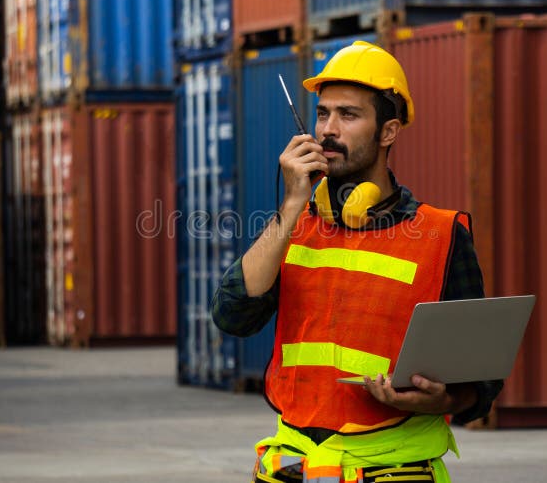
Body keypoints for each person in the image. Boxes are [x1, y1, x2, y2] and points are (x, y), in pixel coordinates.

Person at [212, 41, 502, 483]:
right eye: (323, 113)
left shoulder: (442, 235)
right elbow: (232, 316)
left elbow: (479, 378)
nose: (328, 129)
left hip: (393, 468)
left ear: (388, 131)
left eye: (348, 115)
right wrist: (291, 206)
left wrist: (440, 401)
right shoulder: (292, 226)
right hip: (293, 466)